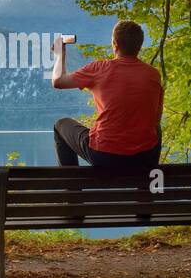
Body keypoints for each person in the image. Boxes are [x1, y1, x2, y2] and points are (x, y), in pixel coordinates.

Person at [51, 20, 162, 170]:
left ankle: (72, 189)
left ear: (115, 44)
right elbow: (156, 118)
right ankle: (144, 190)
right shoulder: (153, 74)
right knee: (156, 130)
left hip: (105, 156)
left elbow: (58, 81)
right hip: (145, 158)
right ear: (139, 45)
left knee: (60, 125)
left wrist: (60, 55)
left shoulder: (99, 68)